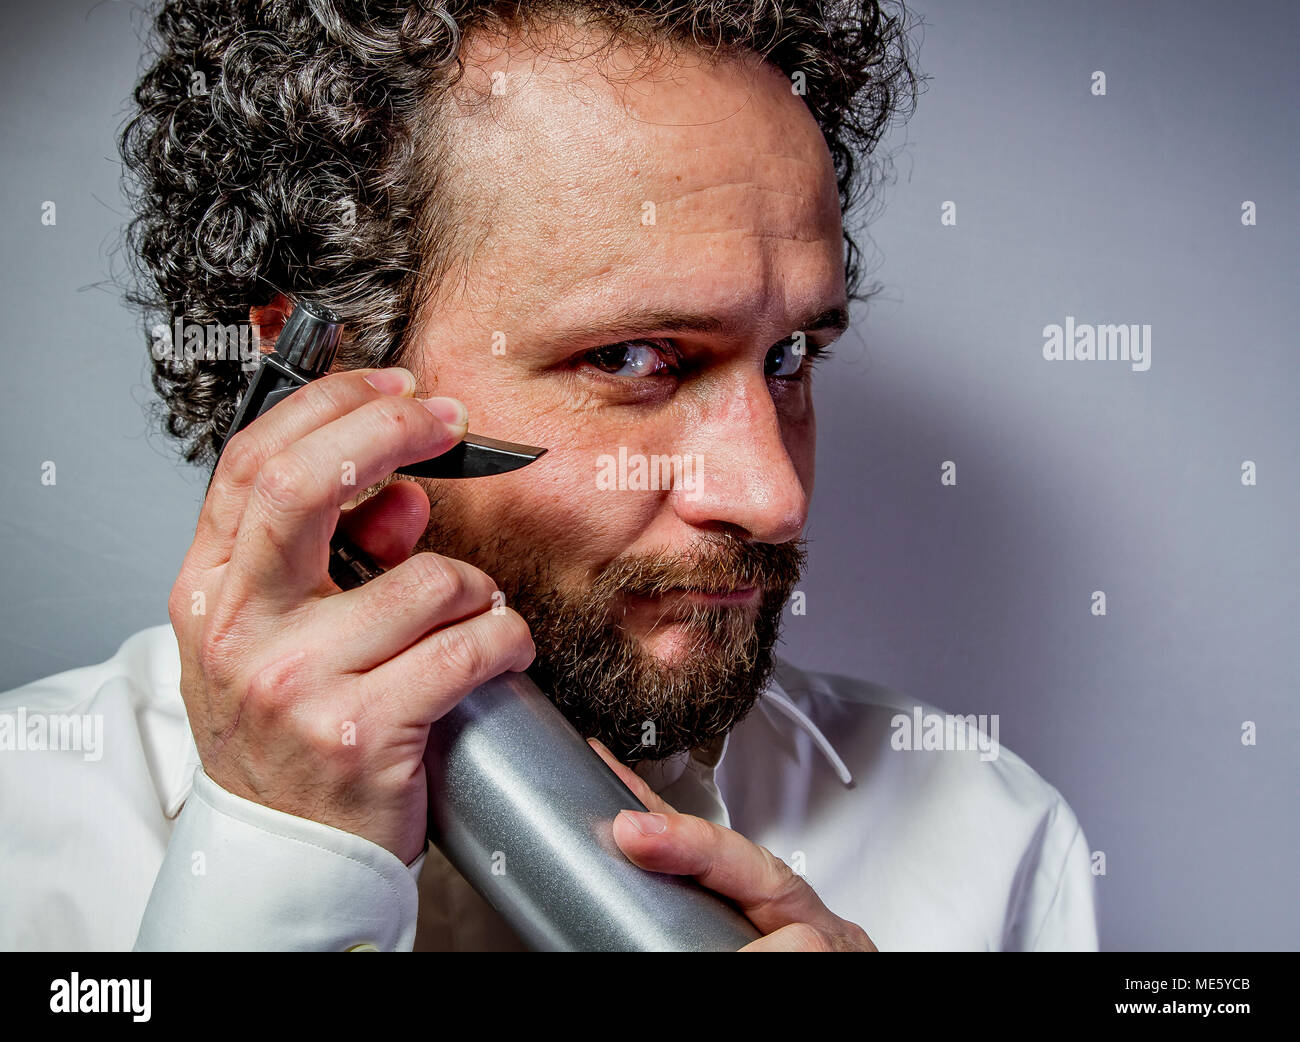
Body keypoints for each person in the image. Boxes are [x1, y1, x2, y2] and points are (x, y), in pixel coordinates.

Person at [0, 0, 1098, 951]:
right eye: (631, 358)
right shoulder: (29, 828)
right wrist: (261, 871)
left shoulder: (987, 840)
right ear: (323, 382)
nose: (774, 497)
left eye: (790, 356)